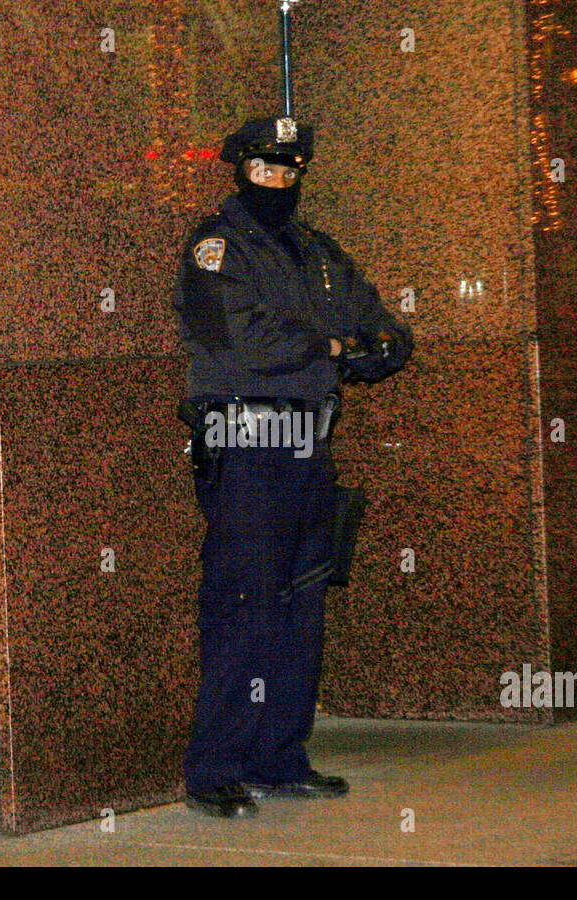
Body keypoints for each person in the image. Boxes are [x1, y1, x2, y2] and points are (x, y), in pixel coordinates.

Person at [172, 115, 413, 818]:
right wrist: (339, 351)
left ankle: (280, 757)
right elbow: (244, 343)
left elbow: (382, 324)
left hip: (309, 441)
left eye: (289, 171)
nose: (278, 181)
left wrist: (384, 343)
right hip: (247, 442)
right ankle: (216, 766)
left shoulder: (317, 250)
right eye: (264, 170)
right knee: (242, 602)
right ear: (240, 171)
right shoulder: (216, 248)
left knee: (301, 601)